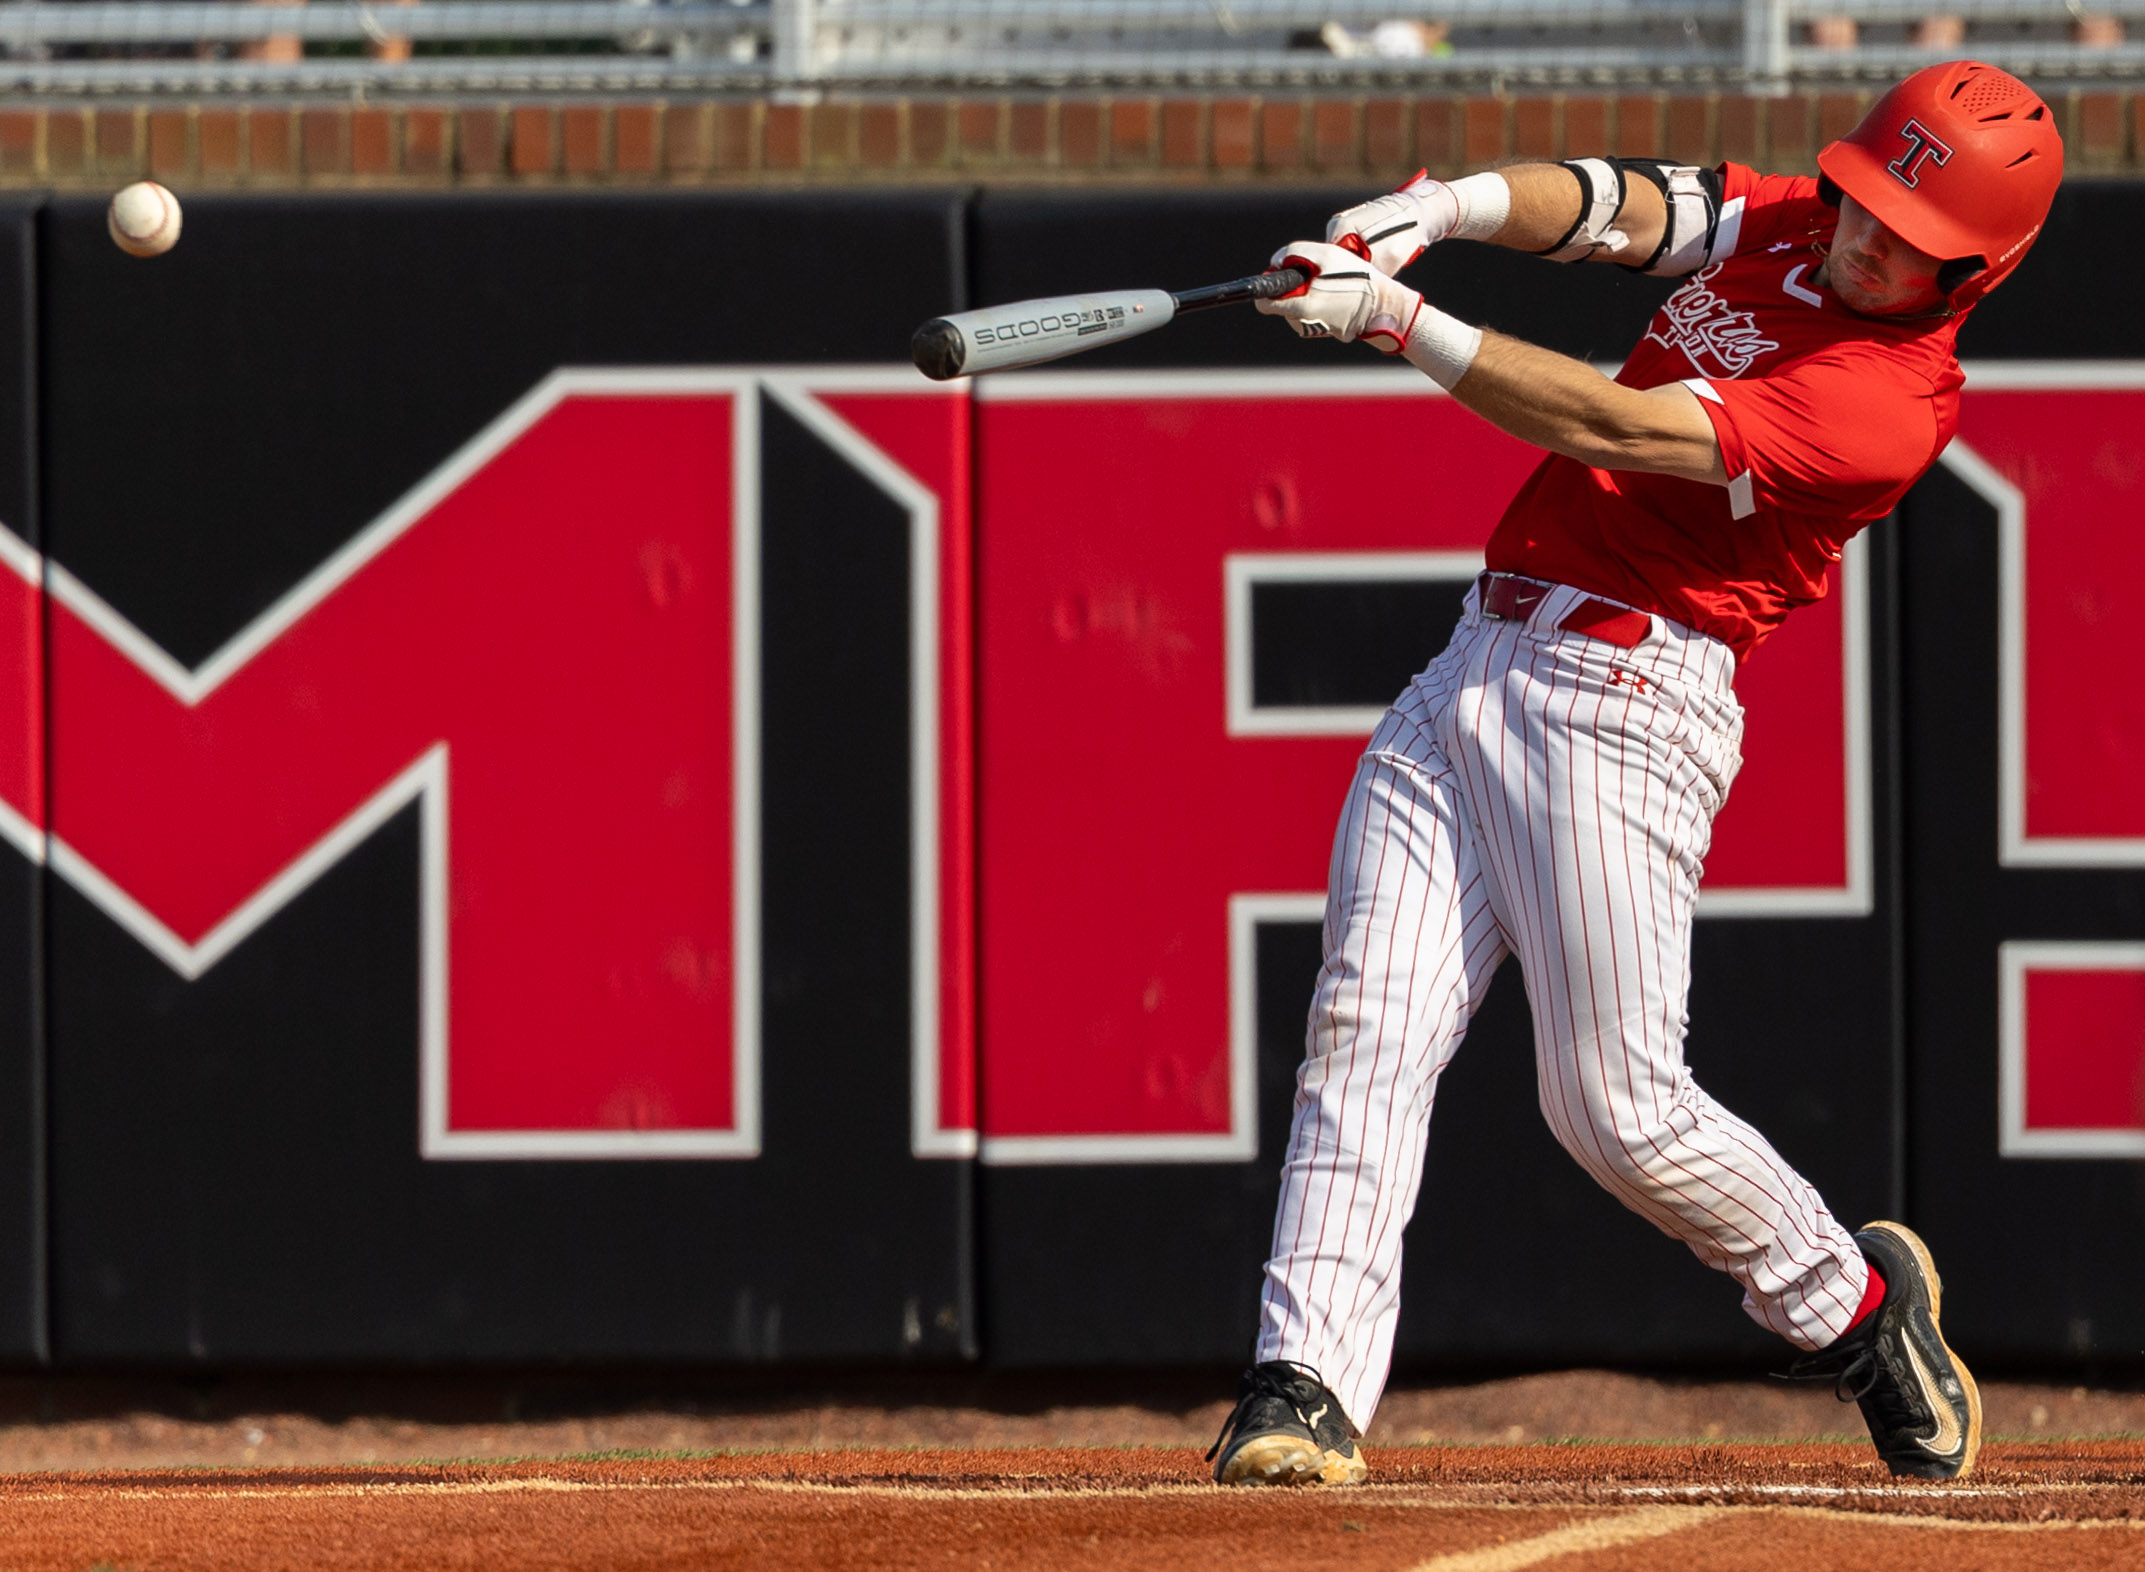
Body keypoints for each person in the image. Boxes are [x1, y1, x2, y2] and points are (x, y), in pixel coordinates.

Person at [1204, 60, 2062, 1487]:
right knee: (1365, 1025)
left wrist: (1398, 320)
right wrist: (1440, 209)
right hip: (1476, 652)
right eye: (1862, 199)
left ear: (1970, 270)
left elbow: (1613, 426)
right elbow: (1612, 211)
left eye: (1905, 238)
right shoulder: (1802, 223)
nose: (1862, 237)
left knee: (1611, 1109)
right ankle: (1302, 1388)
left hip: (1625, 698)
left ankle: (1848, 1308)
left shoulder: (1884, 407)